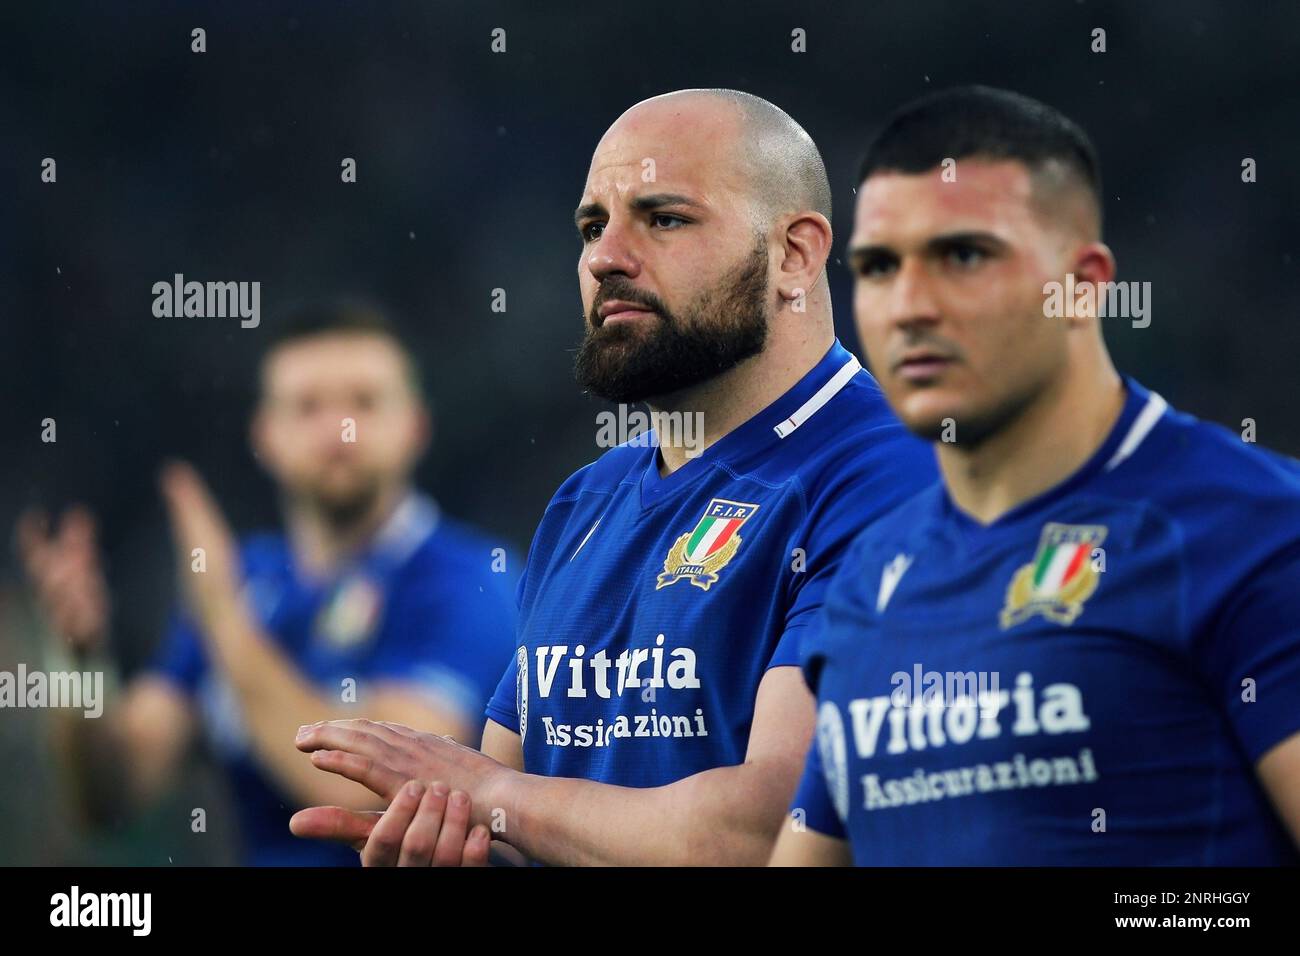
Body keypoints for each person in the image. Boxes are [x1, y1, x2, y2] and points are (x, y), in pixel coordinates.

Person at [290, 89, 936, 866]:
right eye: (593, 226)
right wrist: (457, 843)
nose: (604, 258)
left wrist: (489, 799)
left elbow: (779, 830)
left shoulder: (894, 480)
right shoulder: (585, 502)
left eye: (663, 219)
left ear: (794, 254)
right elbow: (521, 819)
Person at [770, 86, 1300, 865]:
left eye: (964, 256)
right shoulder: (871, 581)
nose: (910, 305)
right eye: (879, 267)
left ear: (1082, 284)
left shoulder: (1256, 532)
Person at [18, 302, 518, 865]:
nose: (338, 430)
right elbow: (111, 793)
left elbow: (369, 792)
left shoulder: (473, 583)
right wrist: (78, 660)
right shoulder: (247, 579)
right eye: (307, 407)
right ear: (266, 434)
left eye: (364, 402)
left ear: (416, 426)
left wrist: (227, 623)